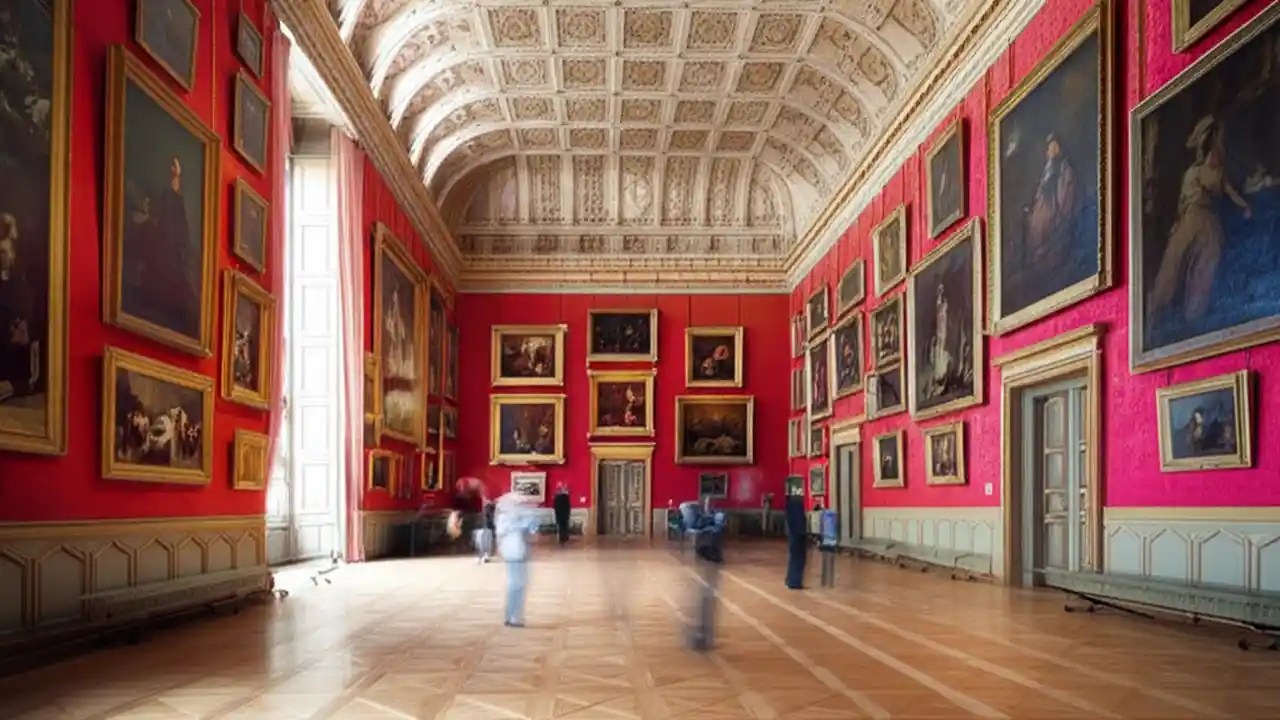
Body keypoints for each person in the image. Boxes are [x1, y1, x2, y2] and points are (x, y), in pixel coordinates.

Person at [496, 492, 540, 627]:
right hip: (517, 552)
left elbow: (500, 535)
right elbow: (532, 530)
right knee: (518, 584)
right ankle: (515, 616)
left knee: (513, 584)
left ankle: (510, 615)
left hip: (510, 552)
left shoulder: (503, 517)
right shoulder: (517, 518)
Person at [784, 485, 807, 590]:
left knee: (793, 557)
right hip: (798, 535)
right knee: (798, 558)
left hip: (793, 535)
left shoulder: (789, 505)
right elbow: (800, 523)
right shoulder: (797, 506)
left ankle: (790, 580)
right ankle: (795, 581)